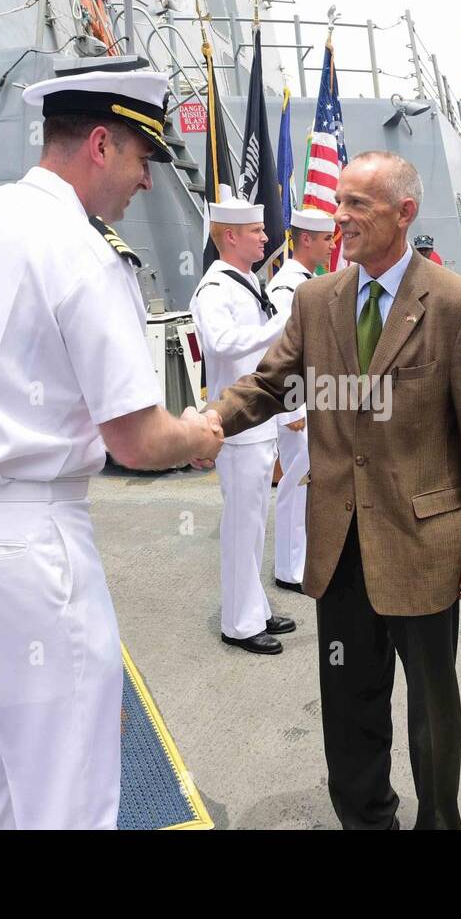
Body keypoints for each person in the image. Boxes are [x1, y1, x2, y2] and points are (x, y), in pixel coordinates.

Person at [0, 70, 223, 829]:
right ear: (102, 144)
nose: (145, 180)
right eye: (144, 159)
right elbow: (137, 440)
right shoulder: (83, 250)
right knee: (67, 798)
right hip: (25, 548)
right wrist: (201, 435)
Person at [208, 151, 461, 829]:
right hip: (340, 538)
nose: (339, 218)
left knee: (432, 703)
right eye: (338, 203)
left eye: (358, 206)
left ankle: (438, 818)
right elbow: (270, 384)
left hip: (423, 542)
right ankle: (367, 817)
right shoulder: (318, 300)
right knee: (348, 697)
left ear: (404, 213)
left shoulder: (458, 306)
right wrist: (209, 424)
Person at [191, 197, 298, 655]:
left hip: (261, 420)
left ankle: (253, 603)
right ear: (230, 236)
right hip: (236, 426)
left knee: (255, 525)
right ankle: (238, 622)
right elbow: (220, 342)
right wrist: (279, 328)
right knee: (242, 526)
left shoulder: (248, 281)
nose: (265, 237)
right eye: (256, 230)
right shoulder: (214, 289)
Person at [265, 208, 336, 593]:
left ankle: (301, 556)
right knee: (296, 482)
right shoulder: (287, 287)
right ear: (305, 239)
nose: (332, 245)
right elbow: (282, 348)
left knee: (307, 482)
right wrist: (290, 406)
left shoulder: (306, 282)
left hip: (311, 397)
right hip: (297, 403)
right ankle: (290, 568)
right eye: (326, 238)